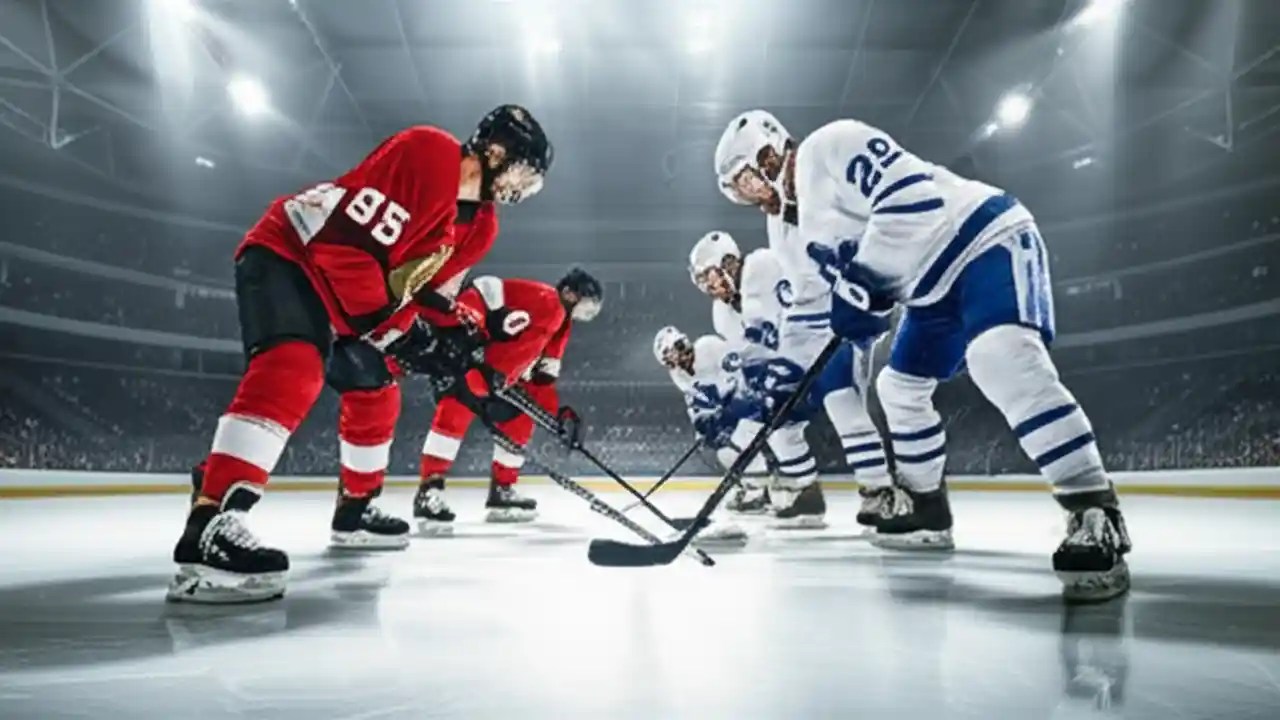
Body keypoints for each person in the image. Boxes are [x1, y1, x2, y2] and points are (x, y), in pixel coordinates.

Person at [714, 110, 1130, 602]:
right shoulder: (786, 231)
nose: (748, 197)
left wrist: (865, 281)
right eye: (737, 192)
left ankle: (1093, 509)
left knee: (1000, 357)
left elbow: (911, 196)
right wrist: (788, 374)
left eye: (744, 181)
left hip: (981, 239)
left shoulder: (832, 145)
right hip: (927, 291)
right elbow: (810, 305)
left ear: (767, 154)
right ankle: (926, 506)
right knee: (899, 388)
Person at [168, 105, 554, 604]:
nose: (521, 188)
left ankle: (355, 510)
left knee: (377, 392)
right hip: (294, 253)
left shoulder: (481, 226)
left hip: (352, 299)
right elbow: (344, 248)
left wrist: (461, 338)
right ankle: (211, 522)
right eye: (523, 171)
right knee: (294, 367)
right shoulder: (429, 151)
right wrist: (400, 331)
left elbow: (424, 291)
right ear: (495, 150)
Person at [688, 230, 892, 529]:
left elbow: (763, 327)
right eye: (702, 280)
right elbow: (750, 358)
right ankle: (806, 495)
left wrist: (756, 386)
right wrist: (732, 407)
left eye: (711, 275)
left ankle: (879, 492)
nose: (709, 285)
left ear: (730, 263)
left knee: (845, 410)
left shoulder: (760, 265)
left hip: (825, 338)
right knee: (779, 427)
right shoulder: (723, 314)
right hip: (790, 362)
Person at [414, 268, 603, 529]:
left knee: (519, 421)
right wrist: (468, 335)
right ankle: (429, 490)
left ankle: (502, 490)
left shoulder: (561, 322)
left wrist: (556, 419)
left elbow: (543, 378)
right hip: (473, 369)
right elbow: (485, 288)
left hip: (496, 382)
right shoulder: (547, 299)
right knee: (453, 416)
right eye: (586, 303)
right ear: (570, 293)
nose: (586, 311)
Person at [652, 326, 771, 514]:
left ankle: (760, 490)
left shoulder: (709, 346)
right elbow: (697, 403)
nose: (677, 360)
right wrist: (702, 426)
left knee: (740, 440)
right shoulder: (679, 375)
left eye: (675, 351)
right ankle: (749, 485)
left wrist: (725, 408)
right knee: (723, 451)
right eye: (669, 359)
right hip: (733, 410)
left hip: (754, 400)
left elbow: (740, 375)